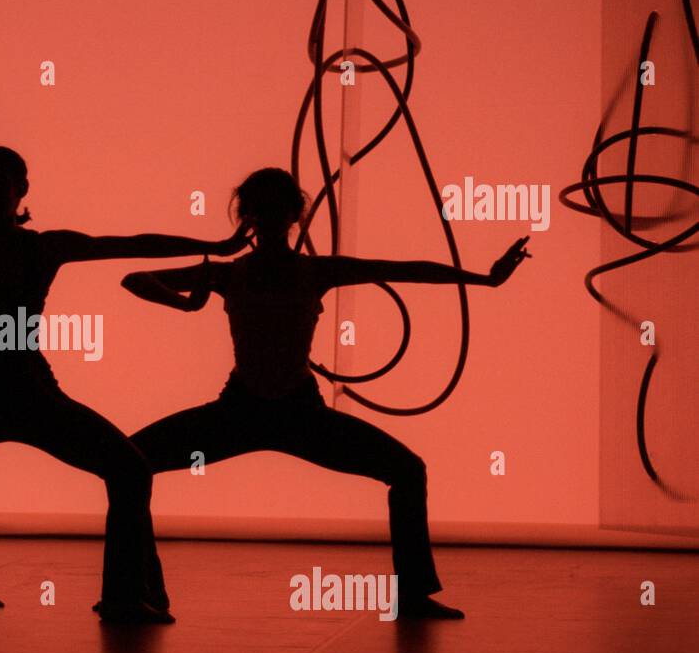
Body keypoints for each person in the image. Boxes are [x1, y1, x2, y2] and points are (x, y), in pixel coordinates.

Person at [0, 145, 249, 624]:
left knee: (130, 470)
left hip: (30, 397)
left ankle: (124, 597)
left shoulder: (34, 247)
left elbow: (127, 243)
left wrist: (216, 247)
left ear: (20, 191)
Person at [123, 167, 532, 619]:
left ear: (292, 215)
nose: (271, 218)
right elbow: (137, 279)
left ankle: (413, 594)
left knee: (407, 471)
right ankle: (141, 592)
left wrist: (483, 279)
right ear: (249, 217)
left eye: (277, 209)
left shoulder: (314, 271)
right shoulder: (229, 273)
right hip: (240, 411)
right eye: (263, 210)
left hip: (299, 414)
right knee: (130, 461)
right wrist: (188, 297)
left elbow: (403, 270)